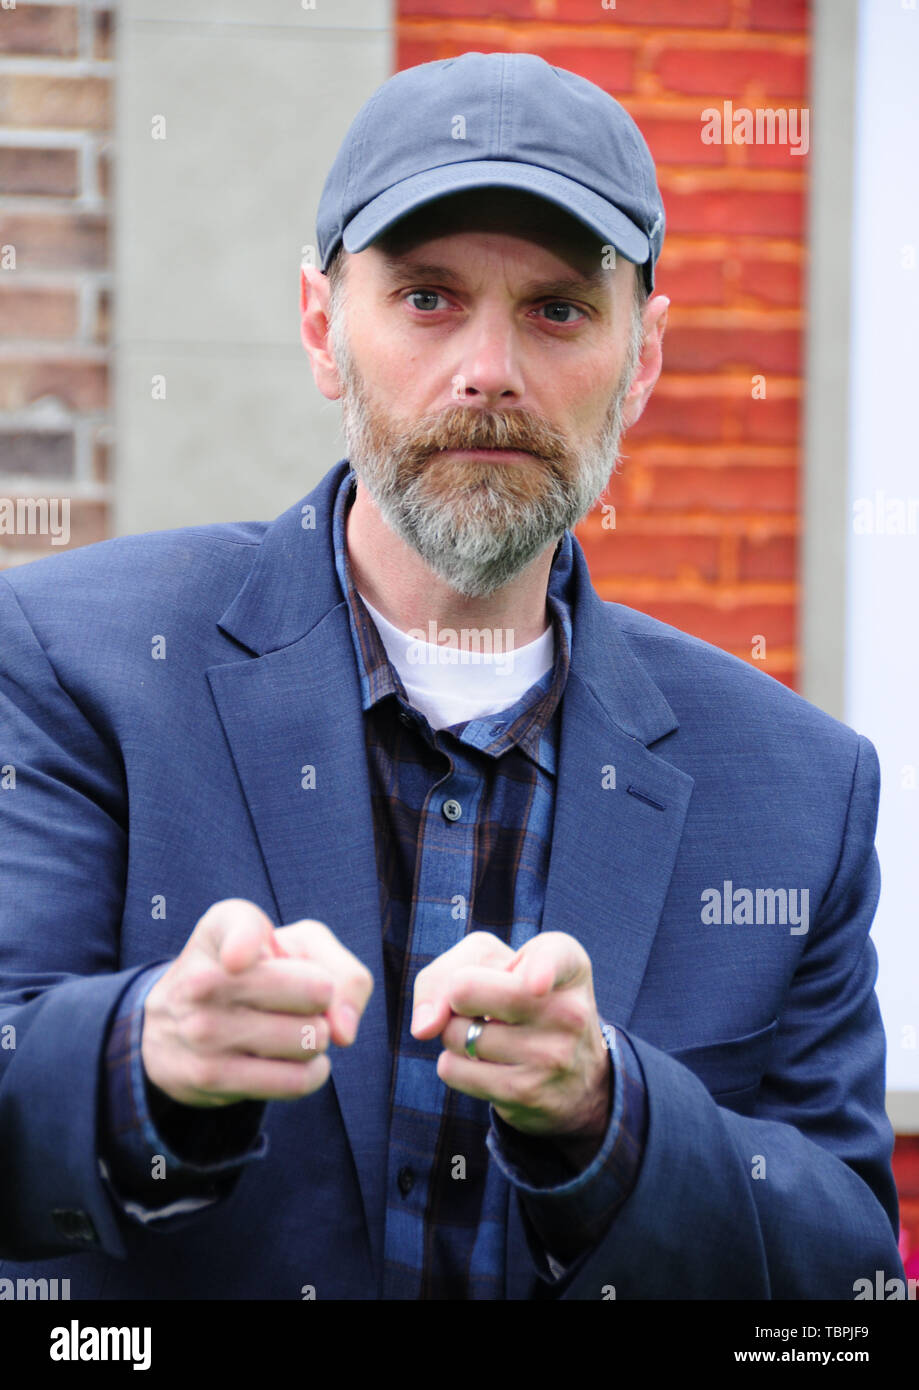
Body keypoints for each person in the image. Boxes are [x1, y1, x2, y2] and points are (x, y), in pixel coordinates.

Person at [0, 51, 904, 1301]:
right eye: (427, 299)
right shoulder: (76, 661)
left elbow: (845, 1281)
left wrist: (611, 1112)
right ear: (324, 329)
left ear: (641, 359)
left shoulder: (801, 789)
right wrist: (138, 1056)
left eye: (557, 310)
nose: (489, 369)